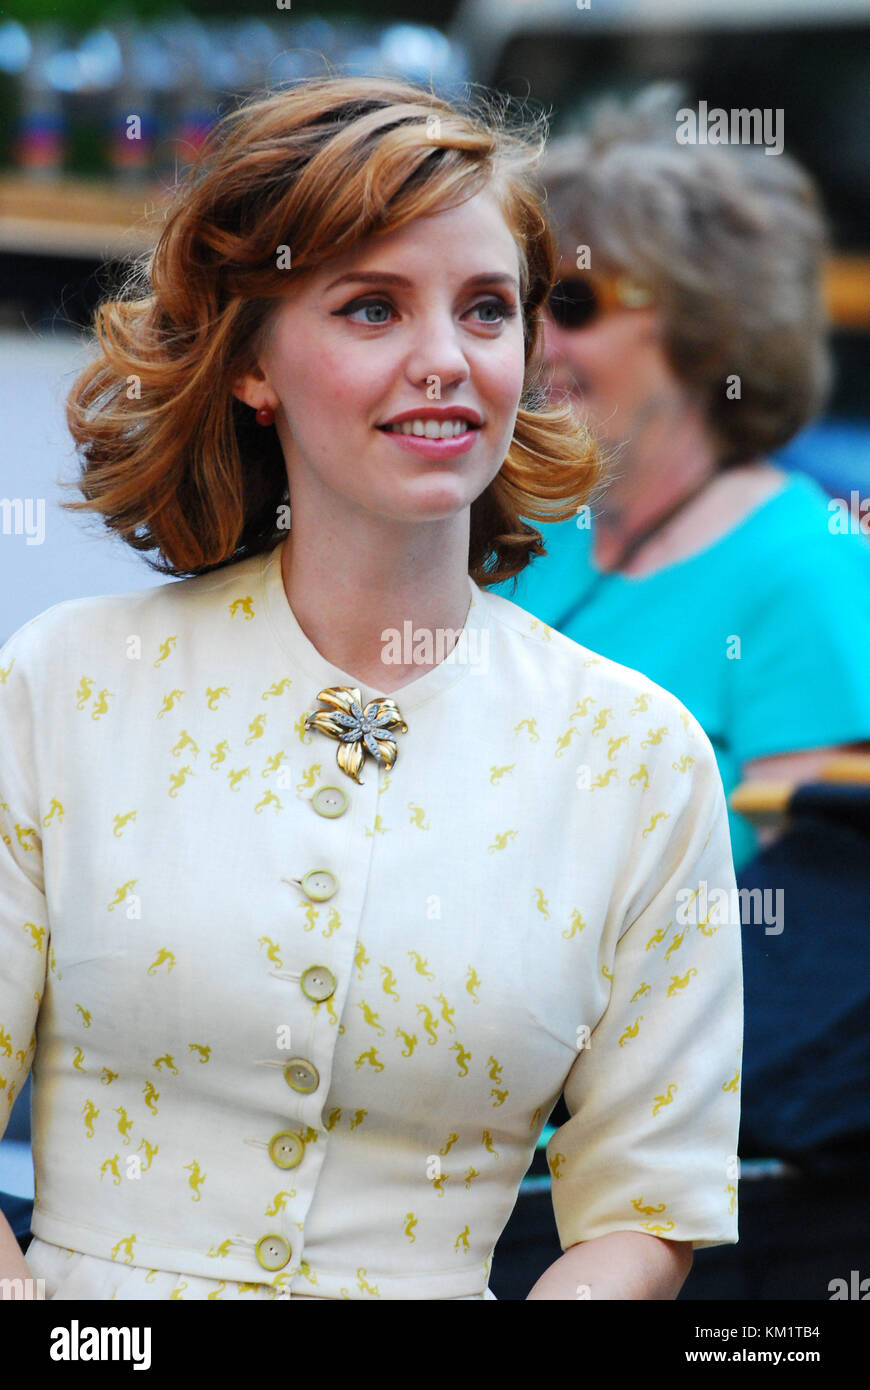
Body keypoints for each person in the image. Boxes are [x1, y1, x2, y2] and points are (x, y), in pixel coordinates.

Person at [0, 75, 742, 1301]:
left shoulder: (639, 754)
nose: (445, 360)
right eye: (371, 308)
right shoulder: (62, 685)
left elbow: (645, 1208)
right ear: (252, 362)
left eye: (488, 309)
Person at [492, 88, 870, 875]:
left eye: (572, 302)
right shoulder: (519, 523)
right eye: (521, 304)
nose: (535, 344)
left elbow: (805, 922)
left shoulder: (807, 571)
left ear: (707, 323)